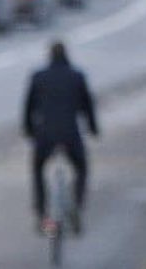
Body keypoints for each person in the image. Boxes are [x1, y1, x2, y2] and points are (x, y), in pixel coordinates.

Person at [22, 40, 99, 234]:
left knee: (38, 169)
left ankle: (41, 213)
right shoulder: (77, 76)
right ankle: (77, 204)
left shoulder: (39, 77)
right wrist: (93, 128)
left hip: (45, 135)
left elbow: (28, 107)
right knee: (81, 167)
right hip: (70, 134)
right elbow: (88, 107)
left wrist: (29, 130)